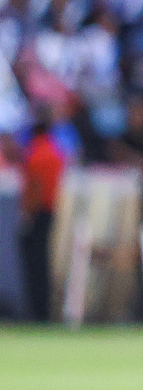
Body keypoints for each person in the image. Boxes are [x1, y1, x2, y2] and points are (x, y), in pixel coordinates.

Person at [16, 114, 68, 322]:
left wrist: (27, 214)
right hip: (50, 211)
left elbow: (35, 187)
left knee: (34, 265)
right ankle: (44, 310)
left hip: (37, 212)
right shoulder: (55, 151)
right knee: (44, 262)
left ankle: (37, 311)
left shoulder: (35, 153)